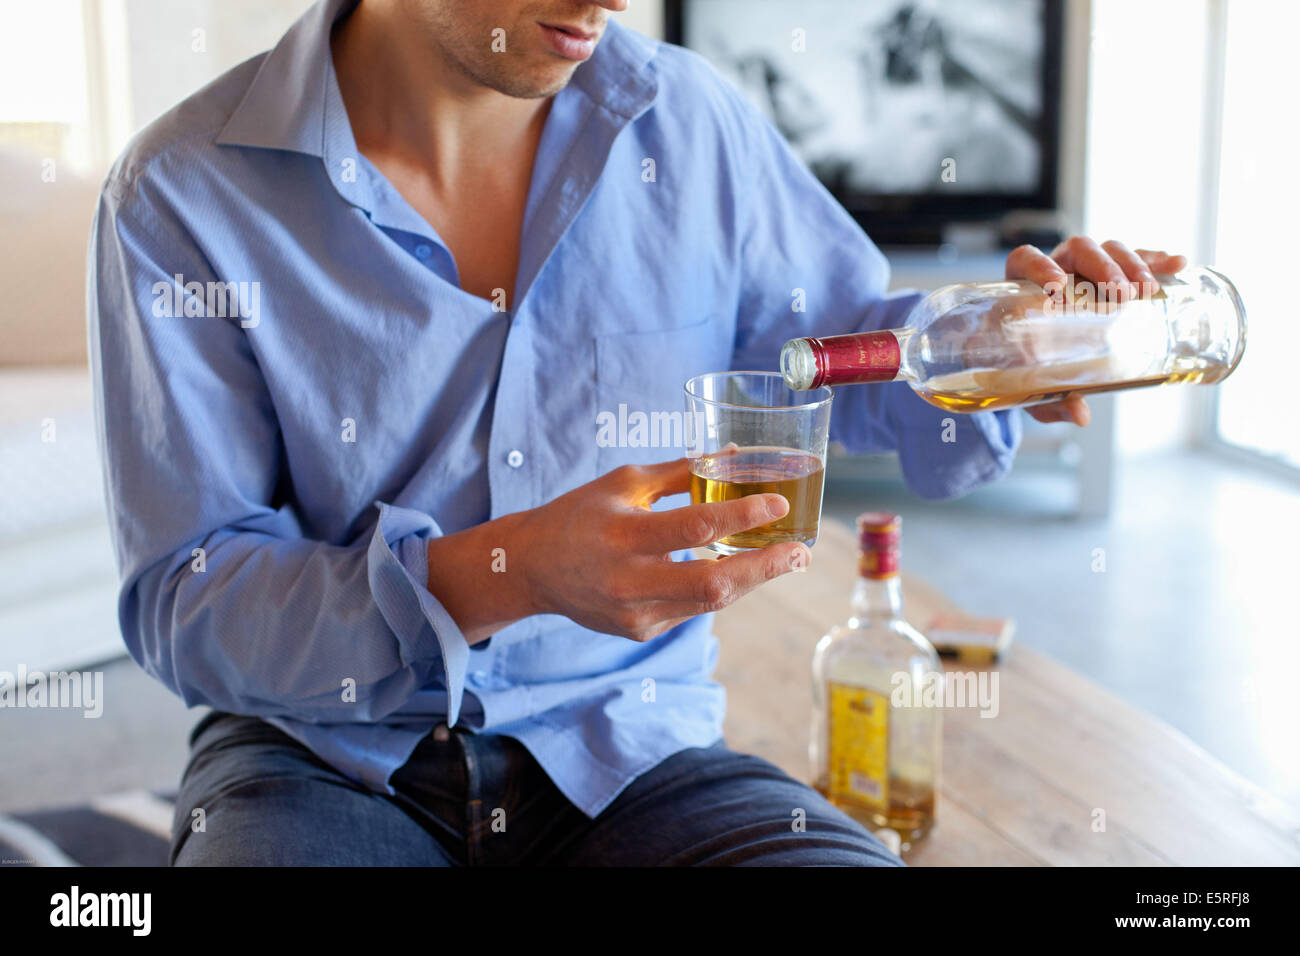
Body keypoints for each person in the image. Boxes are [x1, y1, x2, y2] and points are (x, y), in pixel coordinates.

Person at [88, 0, 1184, 866]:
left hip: (632, 747)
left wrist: (1004, 350)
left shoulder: (688, 121)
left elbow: (843, 352)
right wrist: (505, 572)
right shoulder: (183, 191)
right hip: (319, 756)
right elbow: (189, 594)